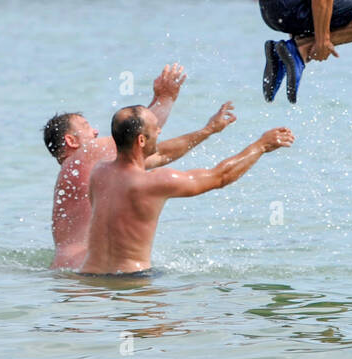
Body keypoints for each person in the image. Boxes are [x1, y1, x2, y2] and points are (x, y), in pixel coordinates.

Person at [43, 63, 237, 269]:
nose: (96, 132)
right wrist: (166, 97)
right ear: (71, 141)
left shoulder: (87, 172)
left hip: (69, 273)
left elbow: (160, 153)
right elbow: (137, 129)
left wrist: (207, 131)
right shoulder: (84, 156)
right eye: (86, 127)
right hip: (86, 269)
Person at [80, 105, 293, 276]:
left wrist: (208, 131)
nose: (160, 131)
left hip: (90, 278)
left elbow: (162, 154)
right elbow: (220, 177)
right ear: (141, 140)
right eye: (156, 128)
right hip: (132, 280)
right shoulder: (154, 182)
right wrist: (261, 146)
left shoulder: (99, 172)